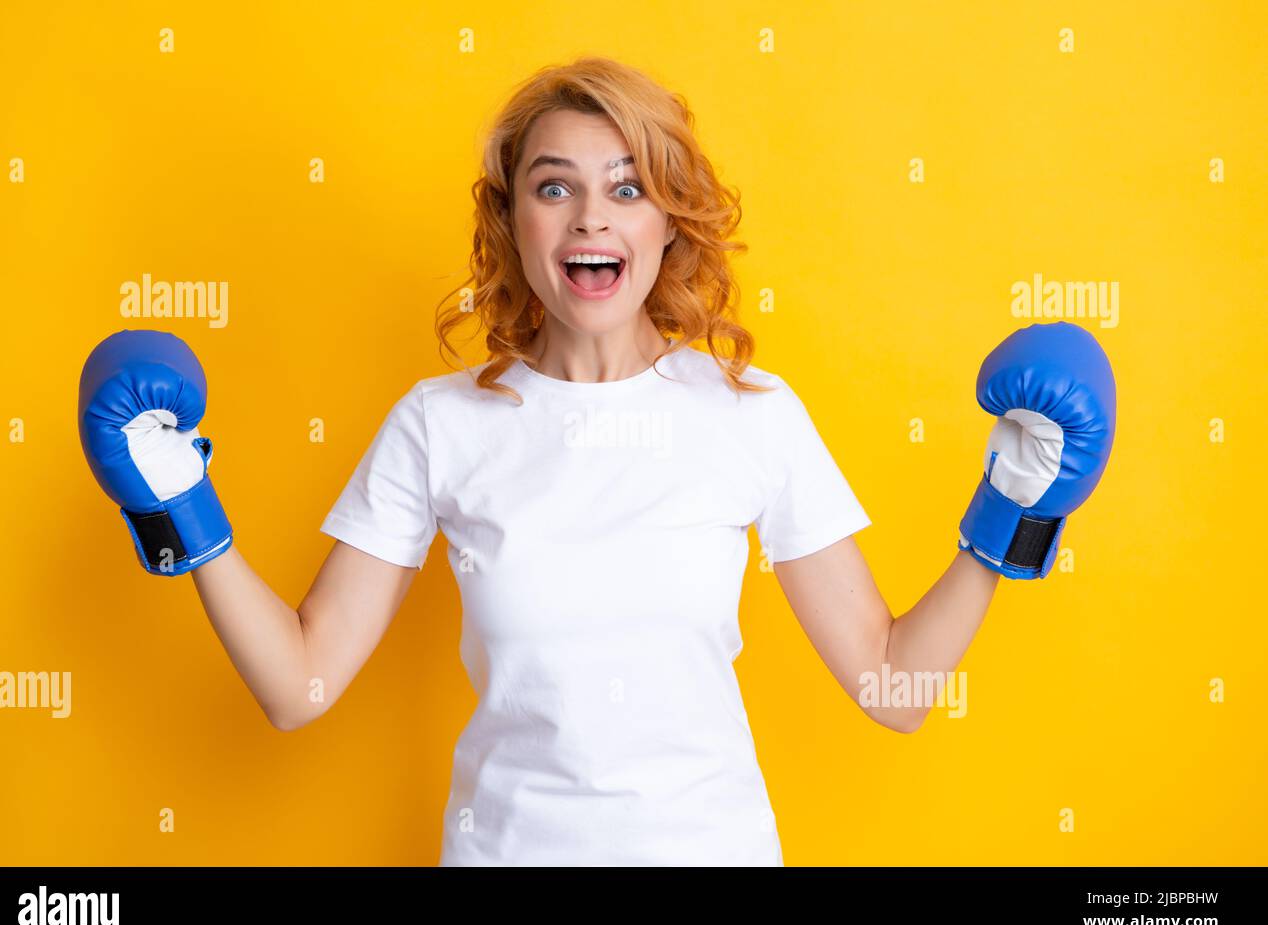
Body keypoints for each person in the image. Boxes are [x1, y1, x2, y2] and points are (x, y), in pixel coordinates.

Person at [76, 57, 1116, 866]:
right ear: (512, 220)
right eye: (554, 186)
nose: (592, 216)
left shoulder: (748, 414)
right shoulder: (440, 424)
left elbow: (891, 686)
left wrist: (1012, 509)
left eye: (627, 186)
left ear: (668, 221)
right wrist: (177, 503)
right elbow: (299, 683)